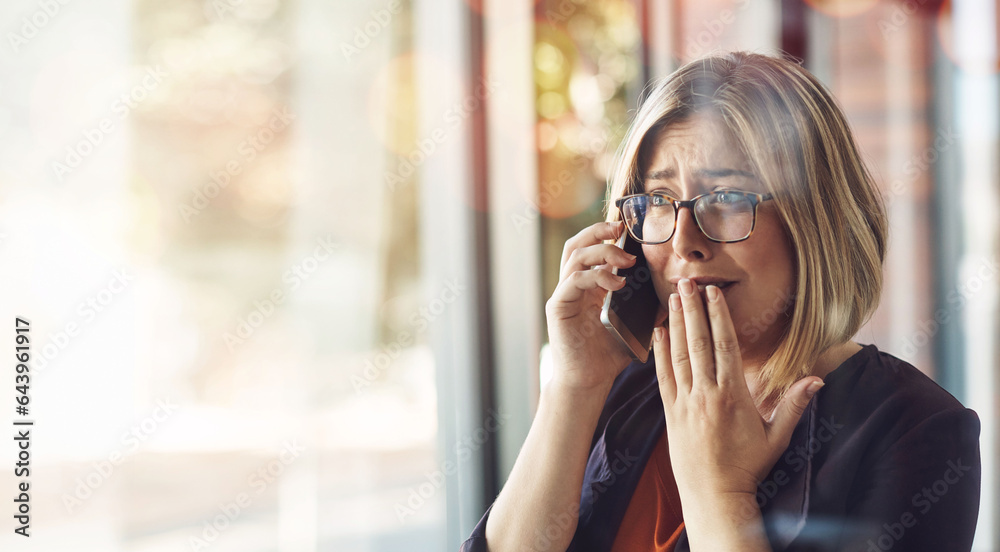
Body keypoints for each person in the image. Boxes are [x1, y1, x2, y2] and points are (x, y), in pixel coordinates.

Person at [460, 51, 981, 551]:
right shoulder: (626, 386)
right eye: (659, 200)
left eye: (727, 197)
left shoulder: (917, 428)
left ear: (814, 220)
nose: (685, 241)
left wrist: (719, 494)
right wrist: (575, 386)